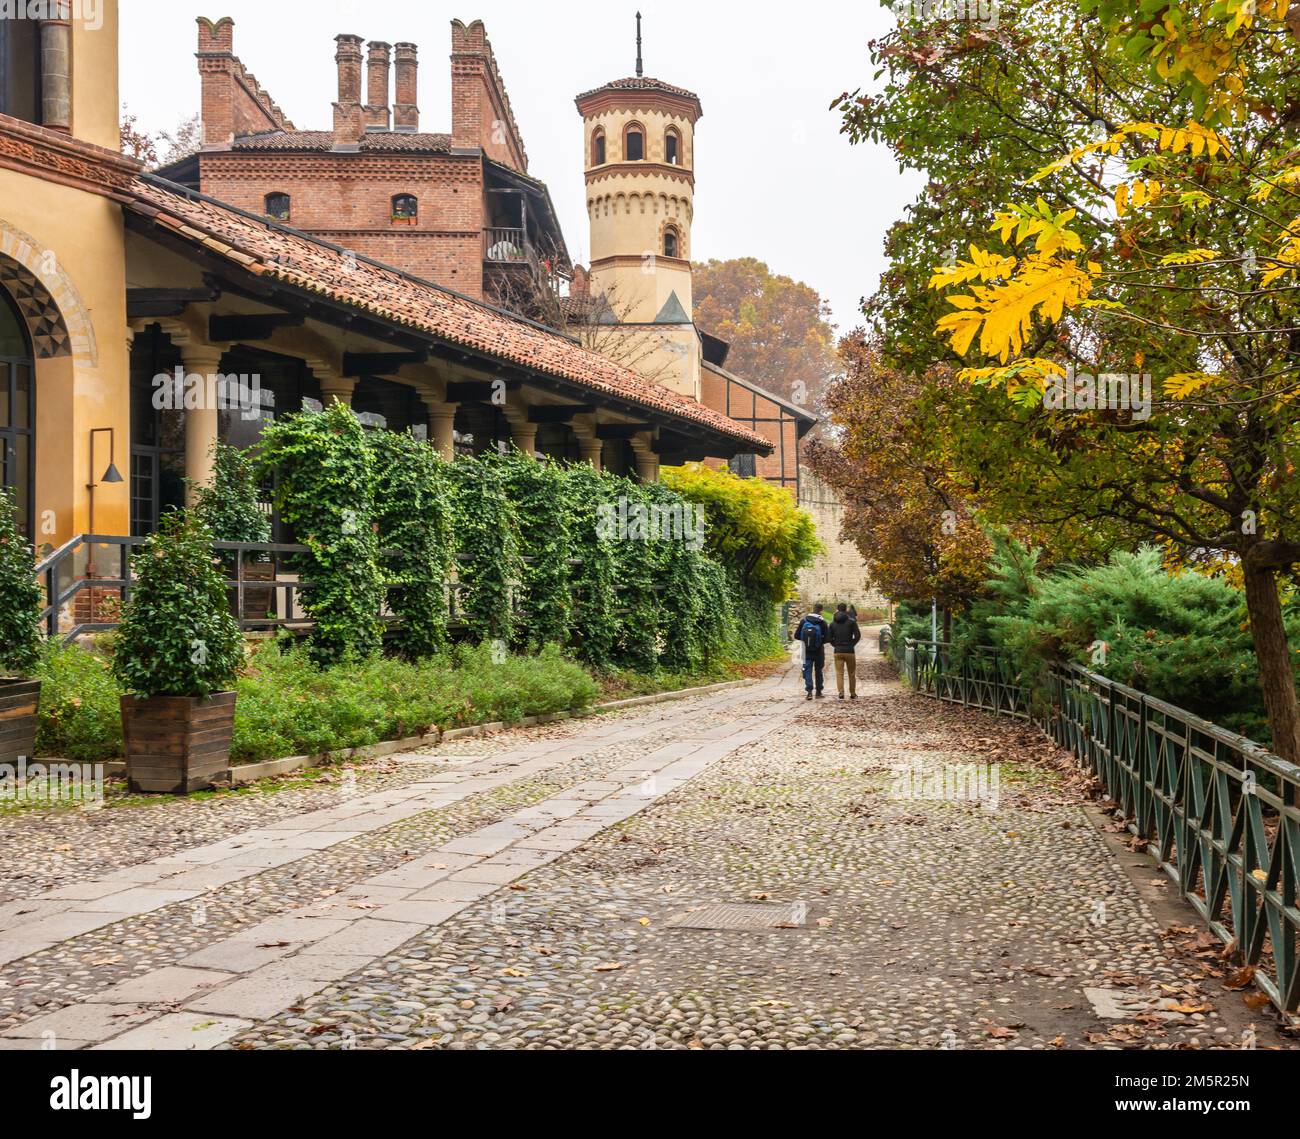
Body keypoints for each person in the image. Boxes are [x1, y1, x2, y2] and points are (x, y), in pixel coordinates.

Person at [793, 606, 830, 700]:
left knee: (807, 671)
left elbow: (796, 635)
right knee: (819, 671)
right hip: (819, 651)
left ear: (812, 610)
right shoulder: (823, 622)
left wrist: (805, 640)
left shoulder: (804, 621)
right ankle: (818, 692)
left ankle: (809, 692)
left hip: (806, 651)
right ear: (821, 611)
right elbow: (827, 638)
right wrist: (819, 642)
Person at [828, 603, 862, 700]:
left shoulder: (833, 623)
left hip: (838, 651)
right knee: (851, 673)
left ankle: (841, 693)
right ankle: (852, 693)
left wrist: (835, 645)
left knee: (839, 673)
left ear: (837, 609)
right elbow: (858, 635)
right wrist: (852, 644)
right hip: (849, 651)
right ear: (846, 609)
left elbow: (829, 638)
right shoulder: (851, 622)